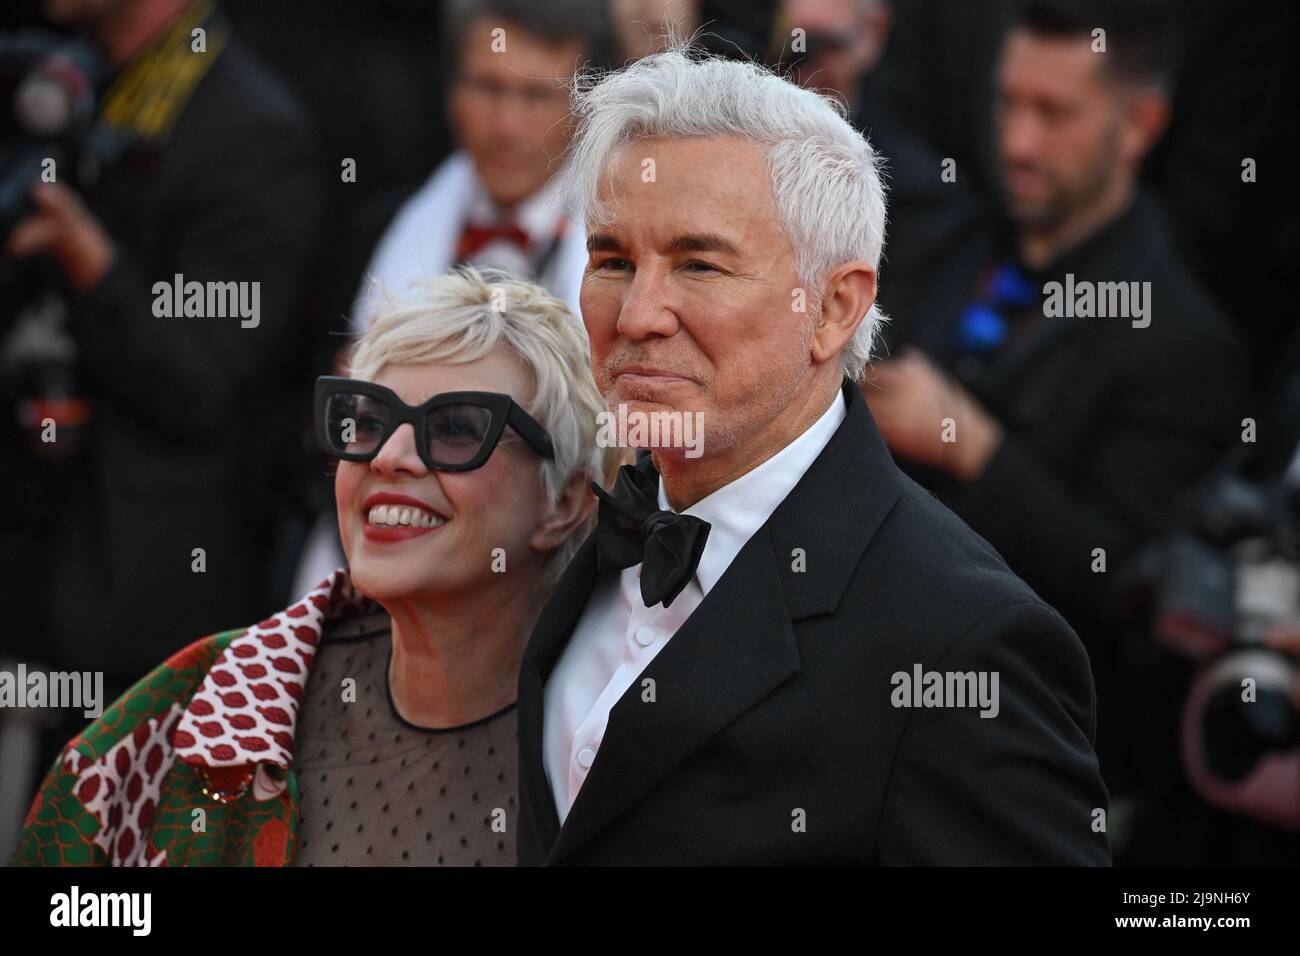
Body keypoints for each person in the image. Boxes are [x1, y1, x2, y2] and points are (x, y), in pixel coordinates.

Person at [515, 44, 1110, 865]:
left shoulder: (960, 643)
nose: (640, 313)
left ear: (834, 309)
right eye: (613, 260)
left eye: (699, 263)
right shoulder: (581, 539)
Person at [11, 267, 627, 866]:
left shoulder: (625, 753)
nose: (389, 456)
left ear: (565, 503)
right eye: (369, 419)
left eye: (458, 428)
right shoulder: (189, 713)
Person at [0, 0, 321, 850]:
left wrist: (91, 262)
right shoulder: (61, 76)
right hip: (35, 572)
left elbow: (207, 382)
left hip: (141, 623)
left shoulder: (252, 126)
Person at [349, 0, 617, 331]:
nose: (507, 126)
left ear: (585, 108)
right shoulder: (373, 231)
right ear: (449, 90)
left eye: (537, 95)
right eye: (487, 88)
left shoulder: (629, 249)